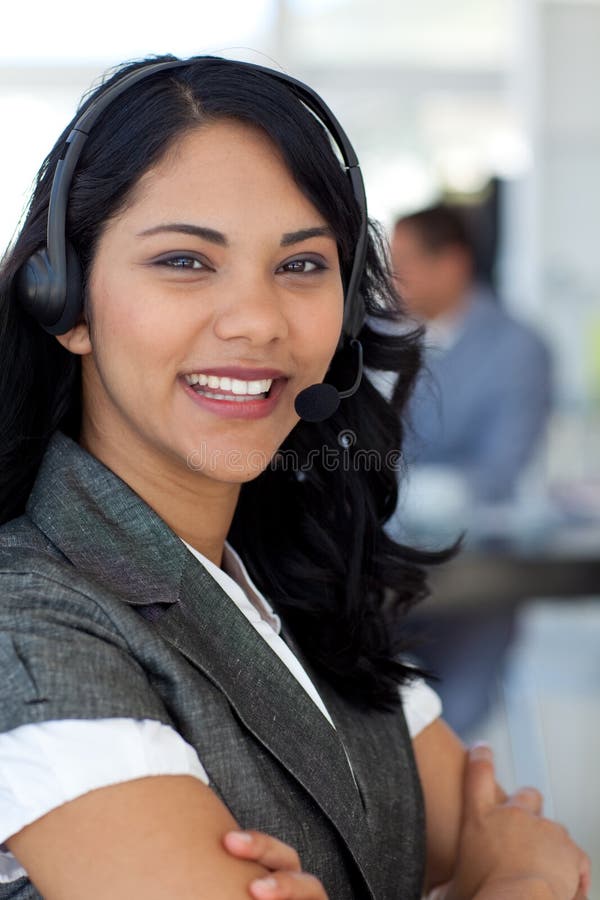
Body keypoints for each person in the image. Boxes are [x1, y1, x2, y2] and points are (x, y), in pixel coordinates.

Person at [0, 56, 587, 900]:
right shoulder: (27, 623)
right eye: (185, 261)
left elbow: (496, 827)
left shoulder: (298, 587)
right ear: (64, 301)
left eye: (302, 265)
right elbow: (527, 860)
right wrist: (523, 880)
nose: (258, 321)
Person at [390, 204, 553, 735]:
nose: (391, 277)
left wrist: (410, 493)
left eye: (405, 262)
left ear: (452, 264)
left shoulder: (516, 348)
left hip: (473, 572)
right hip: (377, 572)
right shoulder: (374, 334)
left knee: (452, 719)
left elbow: (500, 469)